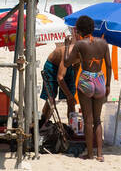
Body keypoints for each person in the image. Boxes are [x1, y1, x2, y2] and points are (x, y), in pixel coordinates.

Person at [65, 15, 111, 160]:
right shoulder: (103, 43)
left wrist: (67, 46)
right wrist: (108, 84)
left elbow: (67, 63)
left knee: (88, 120)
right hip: (100, 80)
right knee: (97, 120)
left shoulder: (79, 45)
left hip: (86, 79)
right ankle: (100, 154)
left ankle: (90, 154)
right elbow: (109, 65)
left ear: (79, 30)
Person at [40, 31, 78, 125]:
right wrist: (68, 95)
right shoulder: (68, 54)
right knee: (51, 100)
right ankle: (43, 123)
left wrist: (71, 92)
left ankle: (71, 126)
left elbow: (77, 67)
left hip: (68, 67)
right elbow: (60, 78)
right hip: (52, 66)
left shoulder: (84, 53)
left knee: (71, 101)